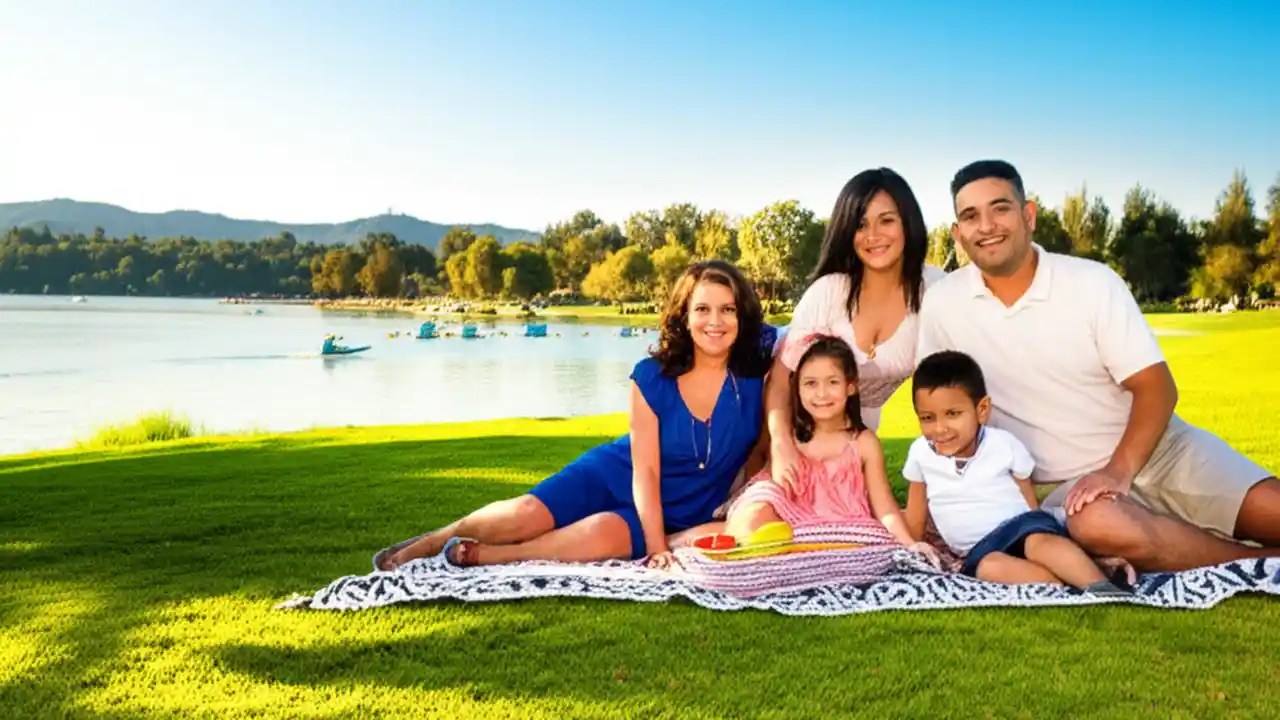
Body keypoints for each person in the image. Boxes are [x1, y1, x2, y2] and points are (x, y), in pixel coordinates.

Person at [918, 159, 1280, 572]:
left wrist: (1116, 473)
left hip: (1163, 451)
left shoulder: (1091, 282)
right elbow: (938, 409)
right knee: (1097, 524)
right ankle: (1260, 563)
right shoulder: (944, 304)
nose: (986, 226)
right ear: (957, 234)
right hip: (1068, 490)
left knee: (1272, 510)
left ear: (1028, 215)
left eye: (1000, 208)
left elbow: (1157, 387)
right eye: (970, 216)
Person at [375, 260, 775, 571]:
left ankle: (491, 556)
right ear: (684, 316)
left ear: (742, 316)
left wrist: (661, 544)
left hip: (683, 508)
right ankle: (435, 539)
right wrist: (657, 550)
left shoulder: (757, 374)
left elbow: (804, 331)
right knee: (523, 515)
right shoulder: (652, 376)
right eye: (702, 308)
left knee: (601, 535)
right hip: (616, 473)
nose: (715, 321)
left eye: (728, 309)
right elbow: (646, 472)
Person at [768, 168, 947, 487]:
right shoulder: (829, 292)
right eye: (861, 225)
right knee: (759, 508)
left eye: (886, 220)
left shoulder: (935, 291)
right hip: (790, 424)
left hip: (858, 438)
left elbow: (953, 384)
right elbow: (780, 380)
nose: (873, 235)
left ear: (908, 222)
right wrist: (780, 445)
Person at [904, 351, 1130, 594]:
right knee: (990, 568)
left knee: (1039, 544)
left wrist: (1042, 527)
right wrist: (914, 546)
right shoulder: (920, 454)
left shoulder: (1003, 444)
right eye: (927, 418)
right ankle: (1066, 587)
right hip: (979, 550)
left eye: (953, 414)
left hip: (1021, 526)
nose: (940, 428)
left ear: (982, 409)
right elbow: (916, 515)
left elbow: (1027, 498)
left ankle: (1101, 586)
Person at [724, 331, 930, 557]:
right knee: (751, 519)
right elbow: (768, 494)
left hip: (840, 528)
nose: (821, 394)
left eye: (832, 382)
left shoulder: (862, 443)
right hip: (790, 526)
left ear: (850, 386)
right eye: (810, 383)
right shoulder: (791, 439)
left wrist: (909, 544)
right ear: (797, 388)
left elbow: (884, 507)